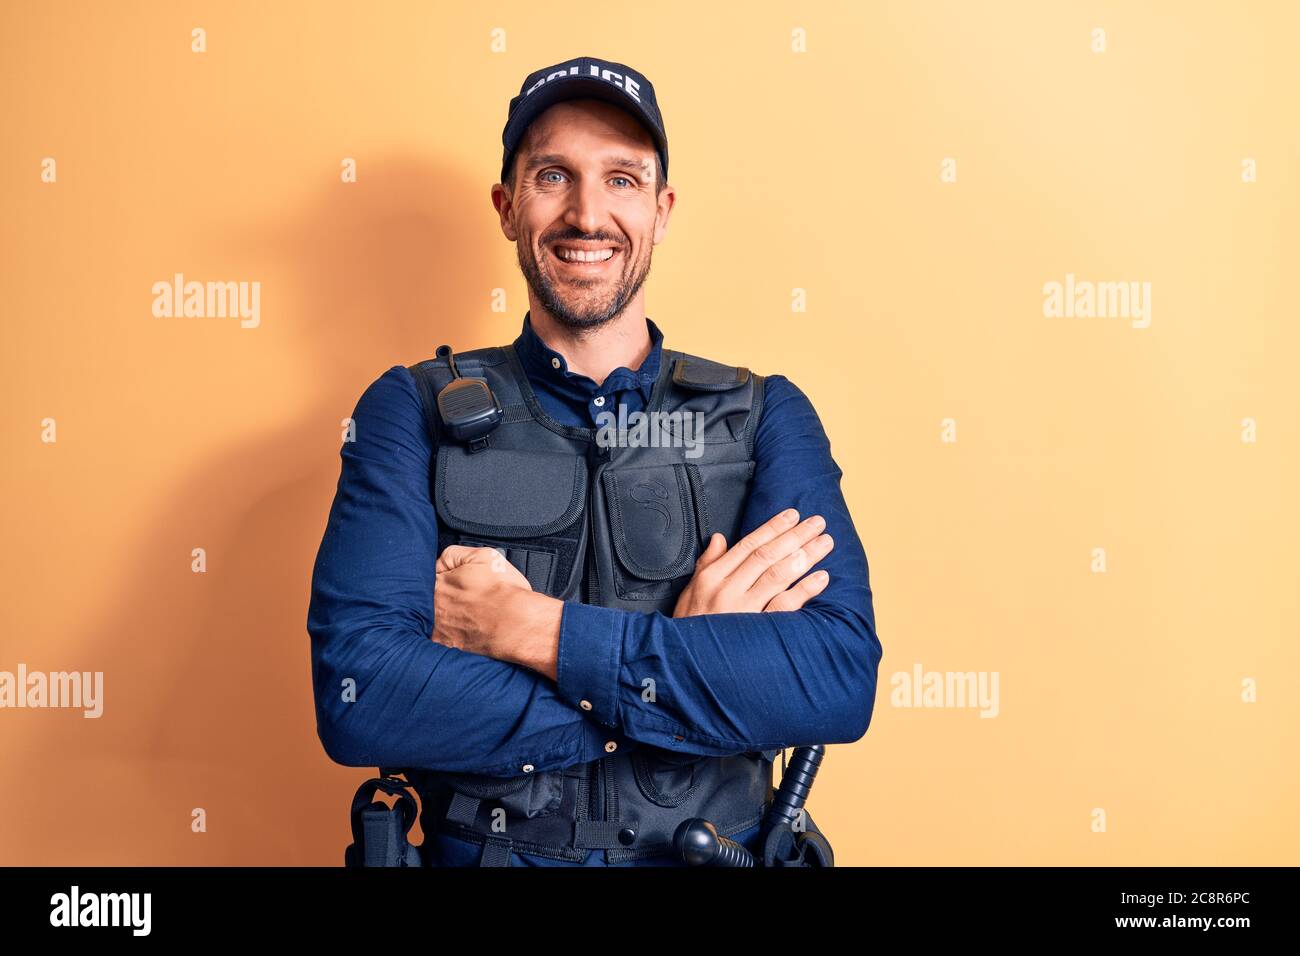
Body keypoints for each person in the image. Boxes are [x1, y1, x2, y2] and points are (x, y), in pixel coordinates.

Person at [307, 55, 882, 866]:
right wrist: (684, 669)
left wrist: (526, 628)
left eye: (621, 179)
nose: (587, 214)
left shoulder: (763, 418)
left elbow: (836, 681)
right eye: (553, 176)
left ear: (662, 208)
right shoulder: (407, 411)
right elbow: (360, 699)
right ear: (507, 207)